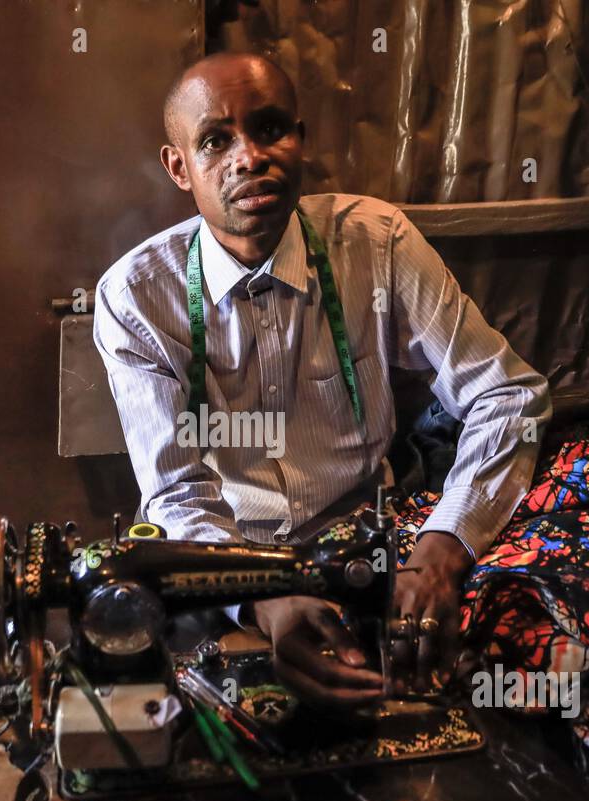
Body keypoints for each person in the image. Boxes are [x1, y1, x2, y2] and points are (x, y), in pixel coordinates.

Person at [94, 52, 550, 708]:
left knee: (488, 667)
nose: (250, 158)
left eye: (270, 129)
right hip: (222, 564)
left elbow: (508, 394)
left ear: (300, 140)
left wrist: (444, 546)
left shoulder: (377, 243)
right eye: (216, 141)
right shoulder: (137, 298)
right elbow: (178, 496)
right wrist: (264, 599)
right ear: (179, 167)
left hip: (367, 541)